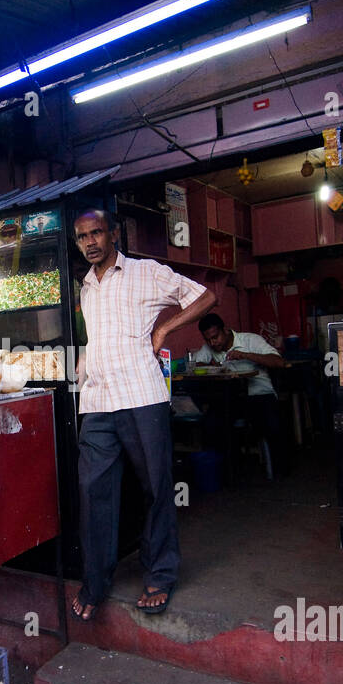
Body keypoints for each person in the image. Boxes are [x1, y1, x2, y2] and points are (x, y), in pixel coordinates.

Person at [72, 208, 215, 620]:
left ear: (113, 233)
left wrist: (165, 330)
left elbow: (205, 296)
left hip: (141, 396)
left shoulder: (146, 272)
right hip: (97, 402)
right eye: (83, 237)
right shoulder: (86, 287)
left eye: (97, 233)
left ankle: (160, 575)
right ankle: (96, 581)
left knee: (155, 486)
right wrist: (83, 366)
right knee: (93, 491)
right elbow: (99, 338)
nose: (90, 242)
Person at [191, 313, 289, 476]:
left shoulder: (250, 340)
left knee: (271, 423)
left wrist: (245, 355)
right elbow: (194, 364)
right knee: (212, 423)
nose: (213, 343)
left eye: (215, 337)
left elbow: (279, 362)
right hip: (232, 398)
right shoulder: (209, 347)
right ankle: (228, 471)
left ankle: (278, 472)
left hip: (259, 394)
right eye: (208, 340)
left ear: (226, 331)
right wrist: (209, 365)